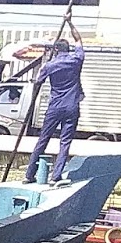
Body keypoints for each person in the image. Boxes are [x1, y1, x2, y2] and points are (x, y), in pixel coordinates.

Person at [25, 24, 85, 185]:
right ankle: (55, 176)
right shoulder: (76, 59)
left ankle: (29, 174)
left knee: (43, 139)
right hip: (72, 106)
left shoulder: (50, 65)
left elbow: (37, 81)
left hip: (55, 106)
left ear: (56, 50)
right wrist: (70, 23)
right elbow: (78, 39)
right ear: (68, 49)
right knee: (65, 142)